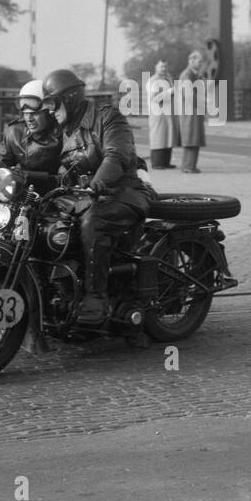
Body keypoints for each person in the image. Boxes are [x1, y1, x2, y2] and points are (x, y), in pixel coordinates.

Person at [40, 67, 155, 328]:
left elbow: (117, 155)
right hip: (89, 196)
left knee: (94, 220)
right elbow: (61, 171)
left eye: (53, 103)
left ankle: (96, 298)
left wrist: (96, 184)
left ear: (68, 99)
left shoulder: (108, 118)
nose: (49, 110)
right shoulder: (65, 129)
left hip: (124, 193)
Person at [0, 79, 63, 199]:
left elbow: (66, 178)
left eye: (35, 113)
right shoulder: (14, 131)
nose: (29, 119)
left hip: (53, 194)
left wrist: (31, 176)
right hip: (20, 190)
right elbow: (3, 160)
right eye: (25, 113)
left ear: (49, 112)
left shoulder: (63, 133)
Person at [177, 49, 207, 173]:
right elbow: (188, 94)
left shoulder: (193, 74)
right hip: (190, 112)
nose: (201, 64)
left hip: (194, 111)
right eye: (199, 61)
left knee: (194, 138)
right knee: (191, 138)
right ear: (191, 60)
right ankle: (188, 166)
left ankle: (190, 165)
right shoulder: (187, 75)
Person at [146, 59, 179, 169]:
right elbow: (154, 98)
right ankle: (157, 163)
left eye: (165, 66)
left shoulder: (168, 78)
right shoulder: (153, 81)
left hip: (168, 112)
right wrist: (169, 92)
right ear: (156, 68)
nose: (164, 69)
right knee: (159, 137)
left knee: (168, 137)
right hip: (158, 113)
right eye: (161, 67)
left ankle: (165, 162)